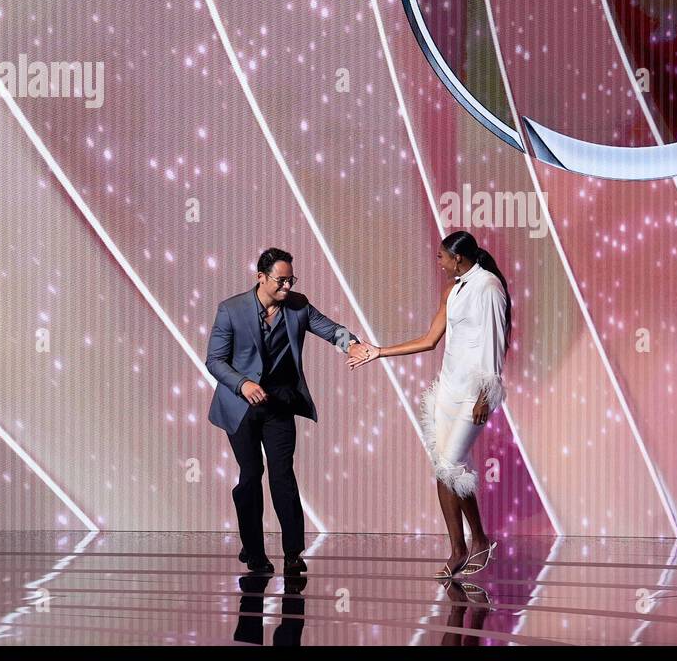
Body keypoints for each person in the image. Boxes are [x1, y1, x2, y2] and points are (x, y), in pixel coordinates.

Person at [349, 231, 511, 579]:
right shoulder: (453, 290)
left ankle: (460, 549)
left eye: (441, 256)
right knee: (449, 467)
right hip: (447, 391)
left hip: (473, 395)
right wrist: (379, 351)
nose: (437, 262)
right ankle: (476, 540)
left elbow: (498, 343)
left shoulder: (488, 287)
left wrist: (486, 394)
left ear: (458, 258)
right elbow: (429, 340)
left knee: (449, 465)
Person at [206, 247, 361, 575]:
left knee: (282, 475)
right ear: (260, 277)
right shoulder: (231, 310)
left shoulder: (298, 305)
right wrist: (243, 384)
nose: (287, 286)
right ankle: (254, 550)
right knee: (250, 477)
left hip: (279, 406)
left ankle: (293, 552)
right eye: (281, 280)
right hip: (240, 408)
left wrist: (355, 344)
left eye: (291, 280)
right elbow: (215, 361)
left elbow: (332, 329)